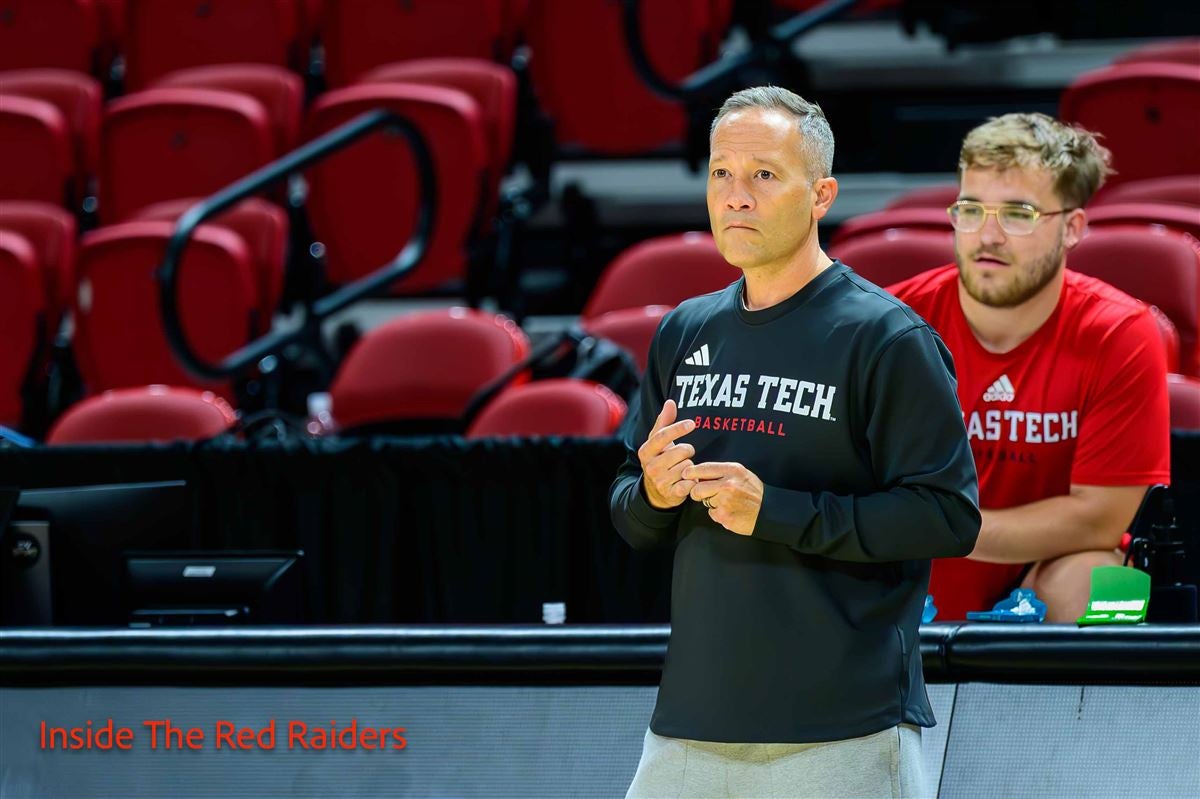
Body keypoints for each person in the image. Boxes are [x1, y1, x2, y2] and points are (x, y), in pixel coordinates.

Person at [610, 86, 981, 799]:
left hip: (843, 725)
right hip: (690, 722)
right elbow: (630, 507)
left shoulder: (886, 338)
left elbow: (947, 515)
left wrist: (777, 511)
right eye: (721, 173)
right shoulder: (684, 332)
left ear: (822, 194)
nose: (736, 196)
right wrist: (652, 492)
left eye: (764, 175)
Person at [889, 113, 1171, 623]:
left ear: (1072, 228)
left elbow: (1101, 521)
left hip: (1040, 574)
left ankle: (1086, 706)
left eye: (1018, 214)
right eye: (971, 209)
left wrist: (938, 527)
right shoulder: (894, 323)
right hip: (907, 572)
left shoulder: (1120, 332)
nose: (988, 236)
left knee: (1109, 585)